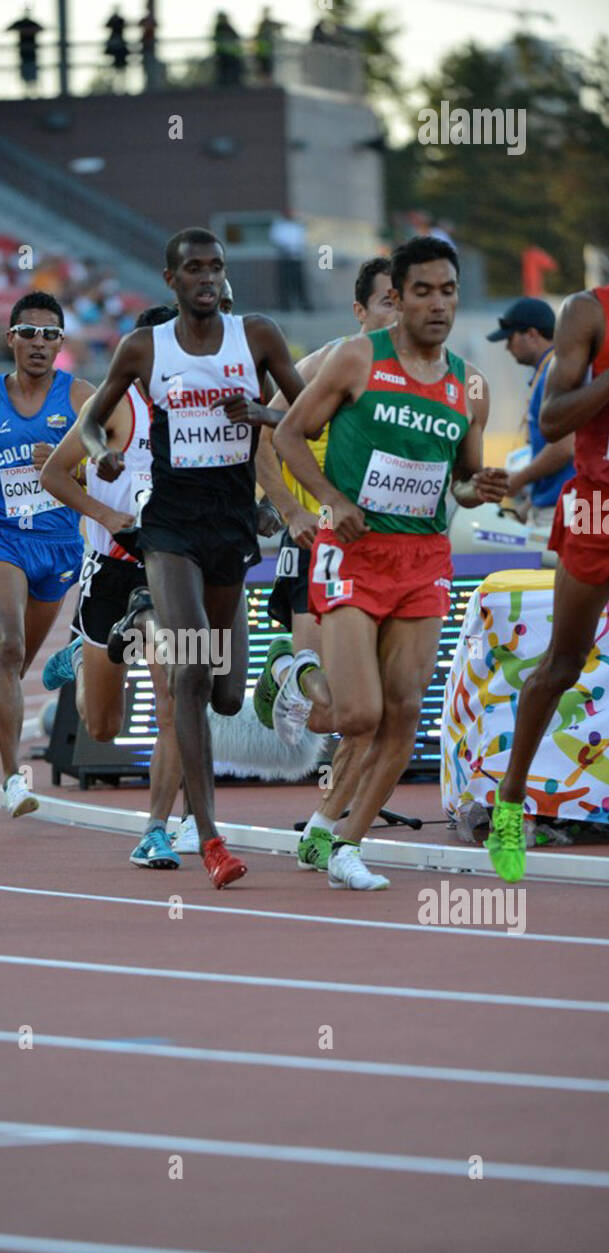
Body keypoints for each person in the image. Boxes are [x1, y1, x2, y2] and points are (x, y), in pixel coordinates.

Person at [257, 235, 509, 889]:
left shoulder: (468, 386)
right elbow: (284, 433)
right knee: (358, 715)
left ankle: (340, 843)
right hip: (352, 553)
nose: (437, 304)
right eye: (421, 291)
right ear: (394, 299)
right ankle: (288, 675)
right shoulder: (352, 360)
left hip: (423, 558)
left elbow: (460, 481)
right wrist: (327, 500)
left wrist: (476, 489)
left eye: (447, 290)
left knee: (405, 714)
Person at [77, 227, 305, 887]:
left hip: (230, 530)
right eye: (193, 269)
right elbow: (94, 420)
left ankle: (256, 683)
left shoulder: (256, 335)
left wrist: (260, 413)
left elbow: (305, 414)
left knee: (227, 695)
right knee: (189, 675)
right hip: (169, 528)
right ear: (171, 279)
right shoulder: (143, 347)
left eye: (216, 267)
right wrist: (102, 453)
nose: (206, 277)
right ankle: (207, 838)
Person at [253, 256, 396, 873]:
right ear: (360, 311)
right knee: (329, 710)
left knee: (371, 713)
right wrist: (288, 509)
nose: (404, 311)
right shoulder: (327, 364)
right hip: (313, 546)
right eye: (389, 300)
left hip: (384, 558)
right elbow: (267, 435)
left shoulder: (421, 379)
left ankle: (326, 828)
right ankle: (282, 670)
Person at [0, 292, 95, 817]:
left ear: (61, 345)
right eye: (29, 332)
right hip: (0, 535)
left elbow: (113, 467)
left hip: (59, 544)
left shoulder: (82, 399)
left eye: (50, 335)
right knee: (9, 646)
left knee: (17, 663)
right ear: (10, 338)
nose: (39, 343)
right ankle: (12, 782)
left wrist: (71, 467)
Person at [39, 305, 183, 868]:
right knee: (103, 725)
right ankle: (81, 657)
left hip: (171, 570)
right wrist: (108, 512)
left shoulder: (206, 411)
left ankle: (157, 829)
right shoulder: (116, 405)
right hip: (112, 569)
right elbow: (53, 472)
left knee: (174, 700)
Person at [488, 284, 609, 882]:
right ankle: (511, 803)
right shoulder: (588, 311)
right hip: (597, 509)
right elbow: (553, 418)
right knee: (563, 664)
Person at [486, 297, 574, 529]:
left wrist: (519, 479)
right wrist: (531, 504)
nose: (507, 347)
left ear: (532, 334)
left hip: (566, 506)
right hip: (556, 503)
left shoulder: (556, 375)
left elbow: (564, 448)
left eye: (511, 337)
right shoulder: (550, 372)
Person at [269, 211, 311, 312]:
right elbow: (276, 240)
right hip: (285, 259)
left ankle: (304, 305)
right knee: (285, 283)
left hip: (297, 258)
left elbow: (303, 240)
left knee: (299, 283)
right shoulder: (279, 226)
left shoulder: (297, 226)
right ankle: (285, 306)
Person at [7, 9, 44, 92]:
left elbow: (41, 28)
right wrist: (23, 30)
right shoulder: (21, 23)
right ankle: (27, 92)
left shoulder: (32, 23)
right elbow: (8, 29)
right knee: (26, 74)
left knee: (32, 74)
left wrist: (27, 30)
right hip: (24, 54)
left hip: (31, 54)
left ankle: (32, 91)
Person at [213, 13, 243, 88]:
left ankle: (232, 84)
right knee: (224, 70)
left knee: (231, 69)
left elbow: (236, 37)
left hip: (231, 53)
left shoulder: (227, 27)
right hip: (224, 53)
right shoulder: (219, 27)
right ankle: (225, 85)